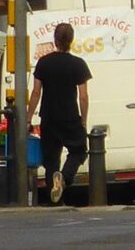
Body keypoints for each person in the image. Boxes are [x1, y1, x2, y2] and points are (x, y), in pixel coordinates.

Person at [26, 22, 92, 206]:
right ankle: (64, 178)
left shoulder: (43, 63)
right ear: (71, 40)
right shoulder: (78, 64)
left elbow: (36, 92)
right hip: (70, 116)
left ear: (55, 40)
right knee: (79, 151)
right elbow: (83, 96)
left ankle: (55, 200)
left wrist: (28, 118)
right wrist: (83, 120)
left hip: (49, 117)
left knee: (51, 159)